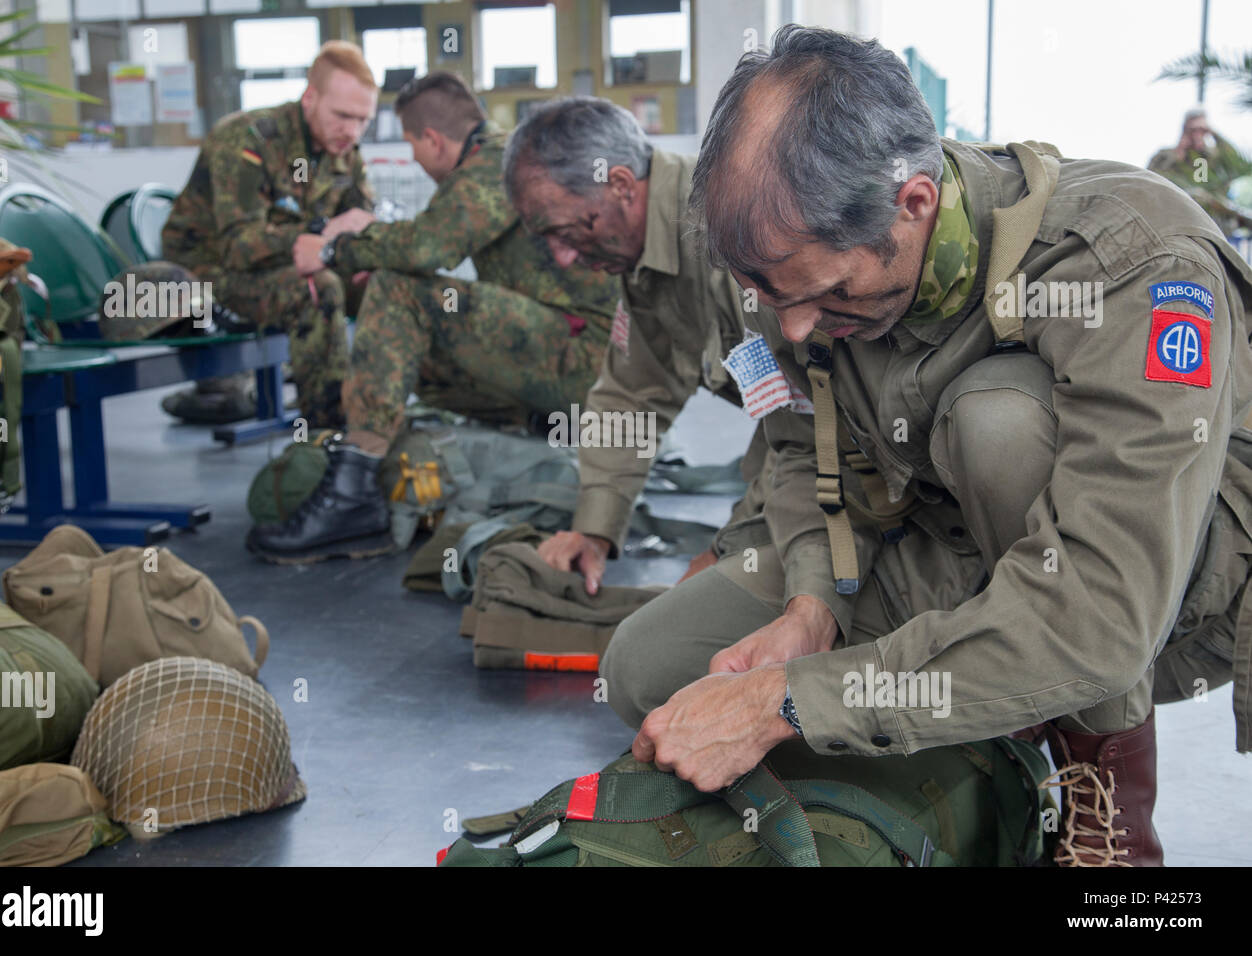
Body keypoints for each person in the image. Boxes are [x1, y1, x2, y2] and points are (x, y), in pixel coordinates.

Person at [603, 25, 1252, 867]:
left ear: (911, 205)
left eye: (829, 295)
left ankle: (1106, 802)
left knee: (998, 422)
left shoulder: (1130, 263)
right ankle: (986, 734)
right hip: (937, 541)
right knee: (649, 668)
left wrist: (788, 703)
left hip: (1147, 580)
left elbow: (1101, 613)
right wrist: (813, 608)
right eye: (771, 294)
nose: (794, 326)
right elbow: (799, 445)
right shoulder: (790, 265)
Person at [247, 73, 620, 564]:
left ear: (433, 139)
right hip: (571, 360)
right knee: (403, 342)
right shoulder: (505, 161)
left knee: (399, 290)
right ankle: (524, 428)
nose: (414, 160)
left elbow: (430, 246)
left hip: (585, 361)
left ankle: (352, 493)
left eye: (411, 146)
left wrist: (336, 247)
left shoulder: (500, 163)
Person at [502, 96, 775, 592]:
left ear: (622, 185)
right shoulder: (645, 258)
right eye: (547, 239)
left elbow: (808, 424)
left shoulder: (733, 234)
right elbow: (632, 394)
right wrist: (594, 529)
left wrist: (732, 547)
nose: (563, 258)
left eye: (567, 232)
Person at [160, 41, 378, 428]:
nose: (353, 131)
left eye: (364, 120)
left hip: (285, 266)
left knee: (383, 282)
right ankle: (327, 437)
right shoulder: (246, 140)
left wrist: (364, 250)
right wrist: (322, 234)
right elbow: (239, 245)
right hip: (206, 274)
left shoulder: (344, 152)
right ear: (310, 98)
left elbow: (361, 220)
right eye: (343, 115)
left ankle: (380, 415)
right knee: (319, 288)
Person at [1148, 108, 1252, 234]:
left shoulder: (1213, 156)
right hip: (1178, 215)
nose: (1197, 134)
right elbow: (1151, 178)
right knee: (1197, 195)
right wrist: (1178, 154)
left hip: (1215, 220)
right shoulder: (1167, 155)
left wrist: (1215, 134)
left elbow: (1233, 161)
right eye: (1192, 130)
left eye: (1202, 130)